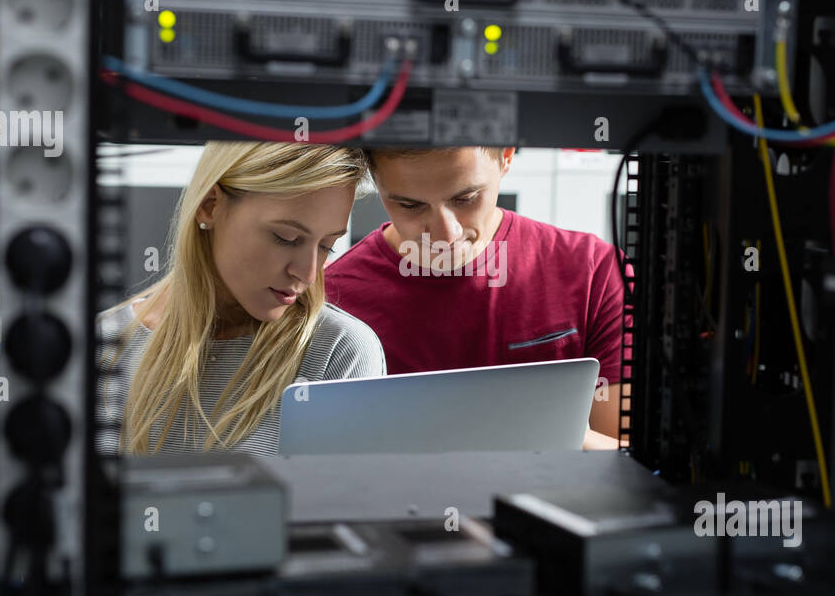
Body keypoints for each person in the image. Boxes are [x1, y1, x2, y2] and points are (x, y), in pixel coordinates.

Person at [324, 146, 628, 450]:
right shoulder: (332, 298)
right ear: (375, 181)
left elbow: (631, 465)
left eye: (465, 199)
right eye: (410, 205)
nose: (446, 234)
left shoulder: (594, 273)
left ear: (506, 157)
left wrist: (531, 433)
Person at [97, 140, 385, 457]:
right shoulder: (106, 342)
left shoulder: (338, 351)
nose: (308, 274)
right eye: (286, 238)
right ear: (210, 206)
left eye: (326, 245)